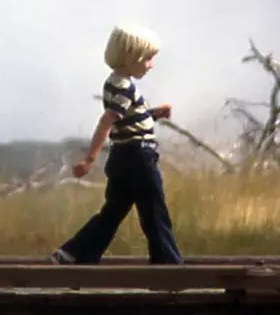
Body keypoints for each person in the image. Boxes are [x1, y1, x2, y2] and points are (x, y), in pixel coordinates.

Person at [50, 23, 184, 265]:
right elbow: (107, 122)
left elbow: (127, 122)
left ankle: (74, 253)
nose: (151, 65)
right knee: (154, 211)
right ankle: (168, 266)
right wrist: (89, 159)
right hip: (138, 157)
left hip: (123, 156)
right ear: (132, 58)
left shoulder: (115, 83)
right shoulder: (124, 87)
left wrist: (154, 114)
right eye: (148, 59)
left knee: (112, 213)